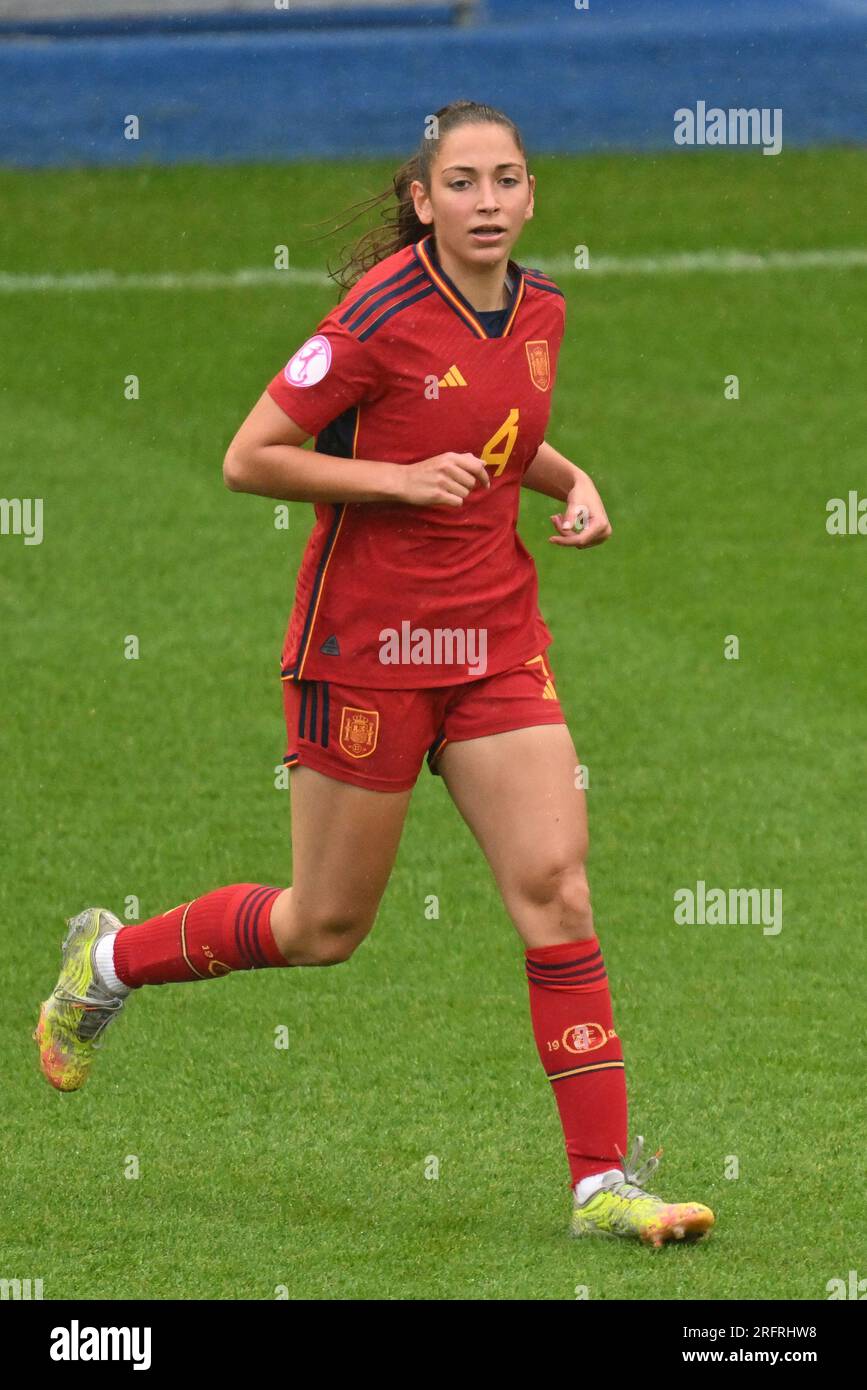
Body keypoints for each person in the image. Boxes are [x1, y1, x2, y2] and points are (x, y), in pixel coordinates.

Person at [34, 99, 714, 1248]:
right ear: (423, 198)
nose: (487, 202)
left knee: (557, 888)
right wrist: (401, 484)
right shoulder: (372, 317)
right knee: (325, 926)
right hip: (368, 652)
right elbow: (250, 457)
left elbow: (500, 426)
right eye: (463, 184)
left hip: (493, 642)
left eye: (506, 181)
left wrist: (571, 480)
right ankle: (106, 961)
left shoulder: (543, 308)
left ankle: (601, 1183)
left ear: (532, 195)